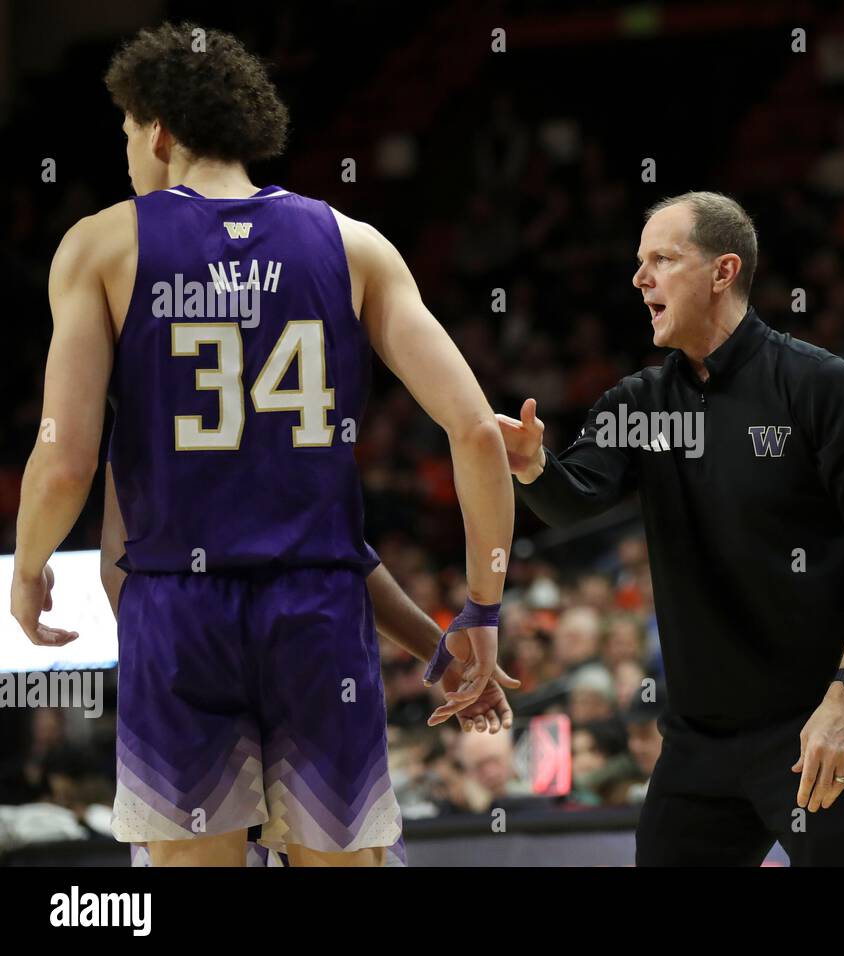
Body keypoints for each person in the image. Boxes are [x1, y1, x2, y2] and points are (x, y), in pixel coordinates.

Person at [8, 22, 515, 867]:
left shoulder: (100, 245)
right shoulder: (354, 243)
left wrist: (27, 569)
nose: (128, 151)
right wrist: (482, 610)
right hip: (320, 612)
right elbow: (474, 430)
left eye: (128, 131)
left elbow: (64, 459)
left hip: (176, 608)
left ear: (160, 129)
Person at [498, 191, 844, 865]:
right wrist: (531, 467)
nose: (640, 279)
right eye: (640, 262)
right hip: (698, 744)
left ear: (724, 271)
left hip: (817, 724)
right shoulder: (640, 402)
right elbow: (573, 498)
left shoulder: (818, 386)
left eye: (662, 259)